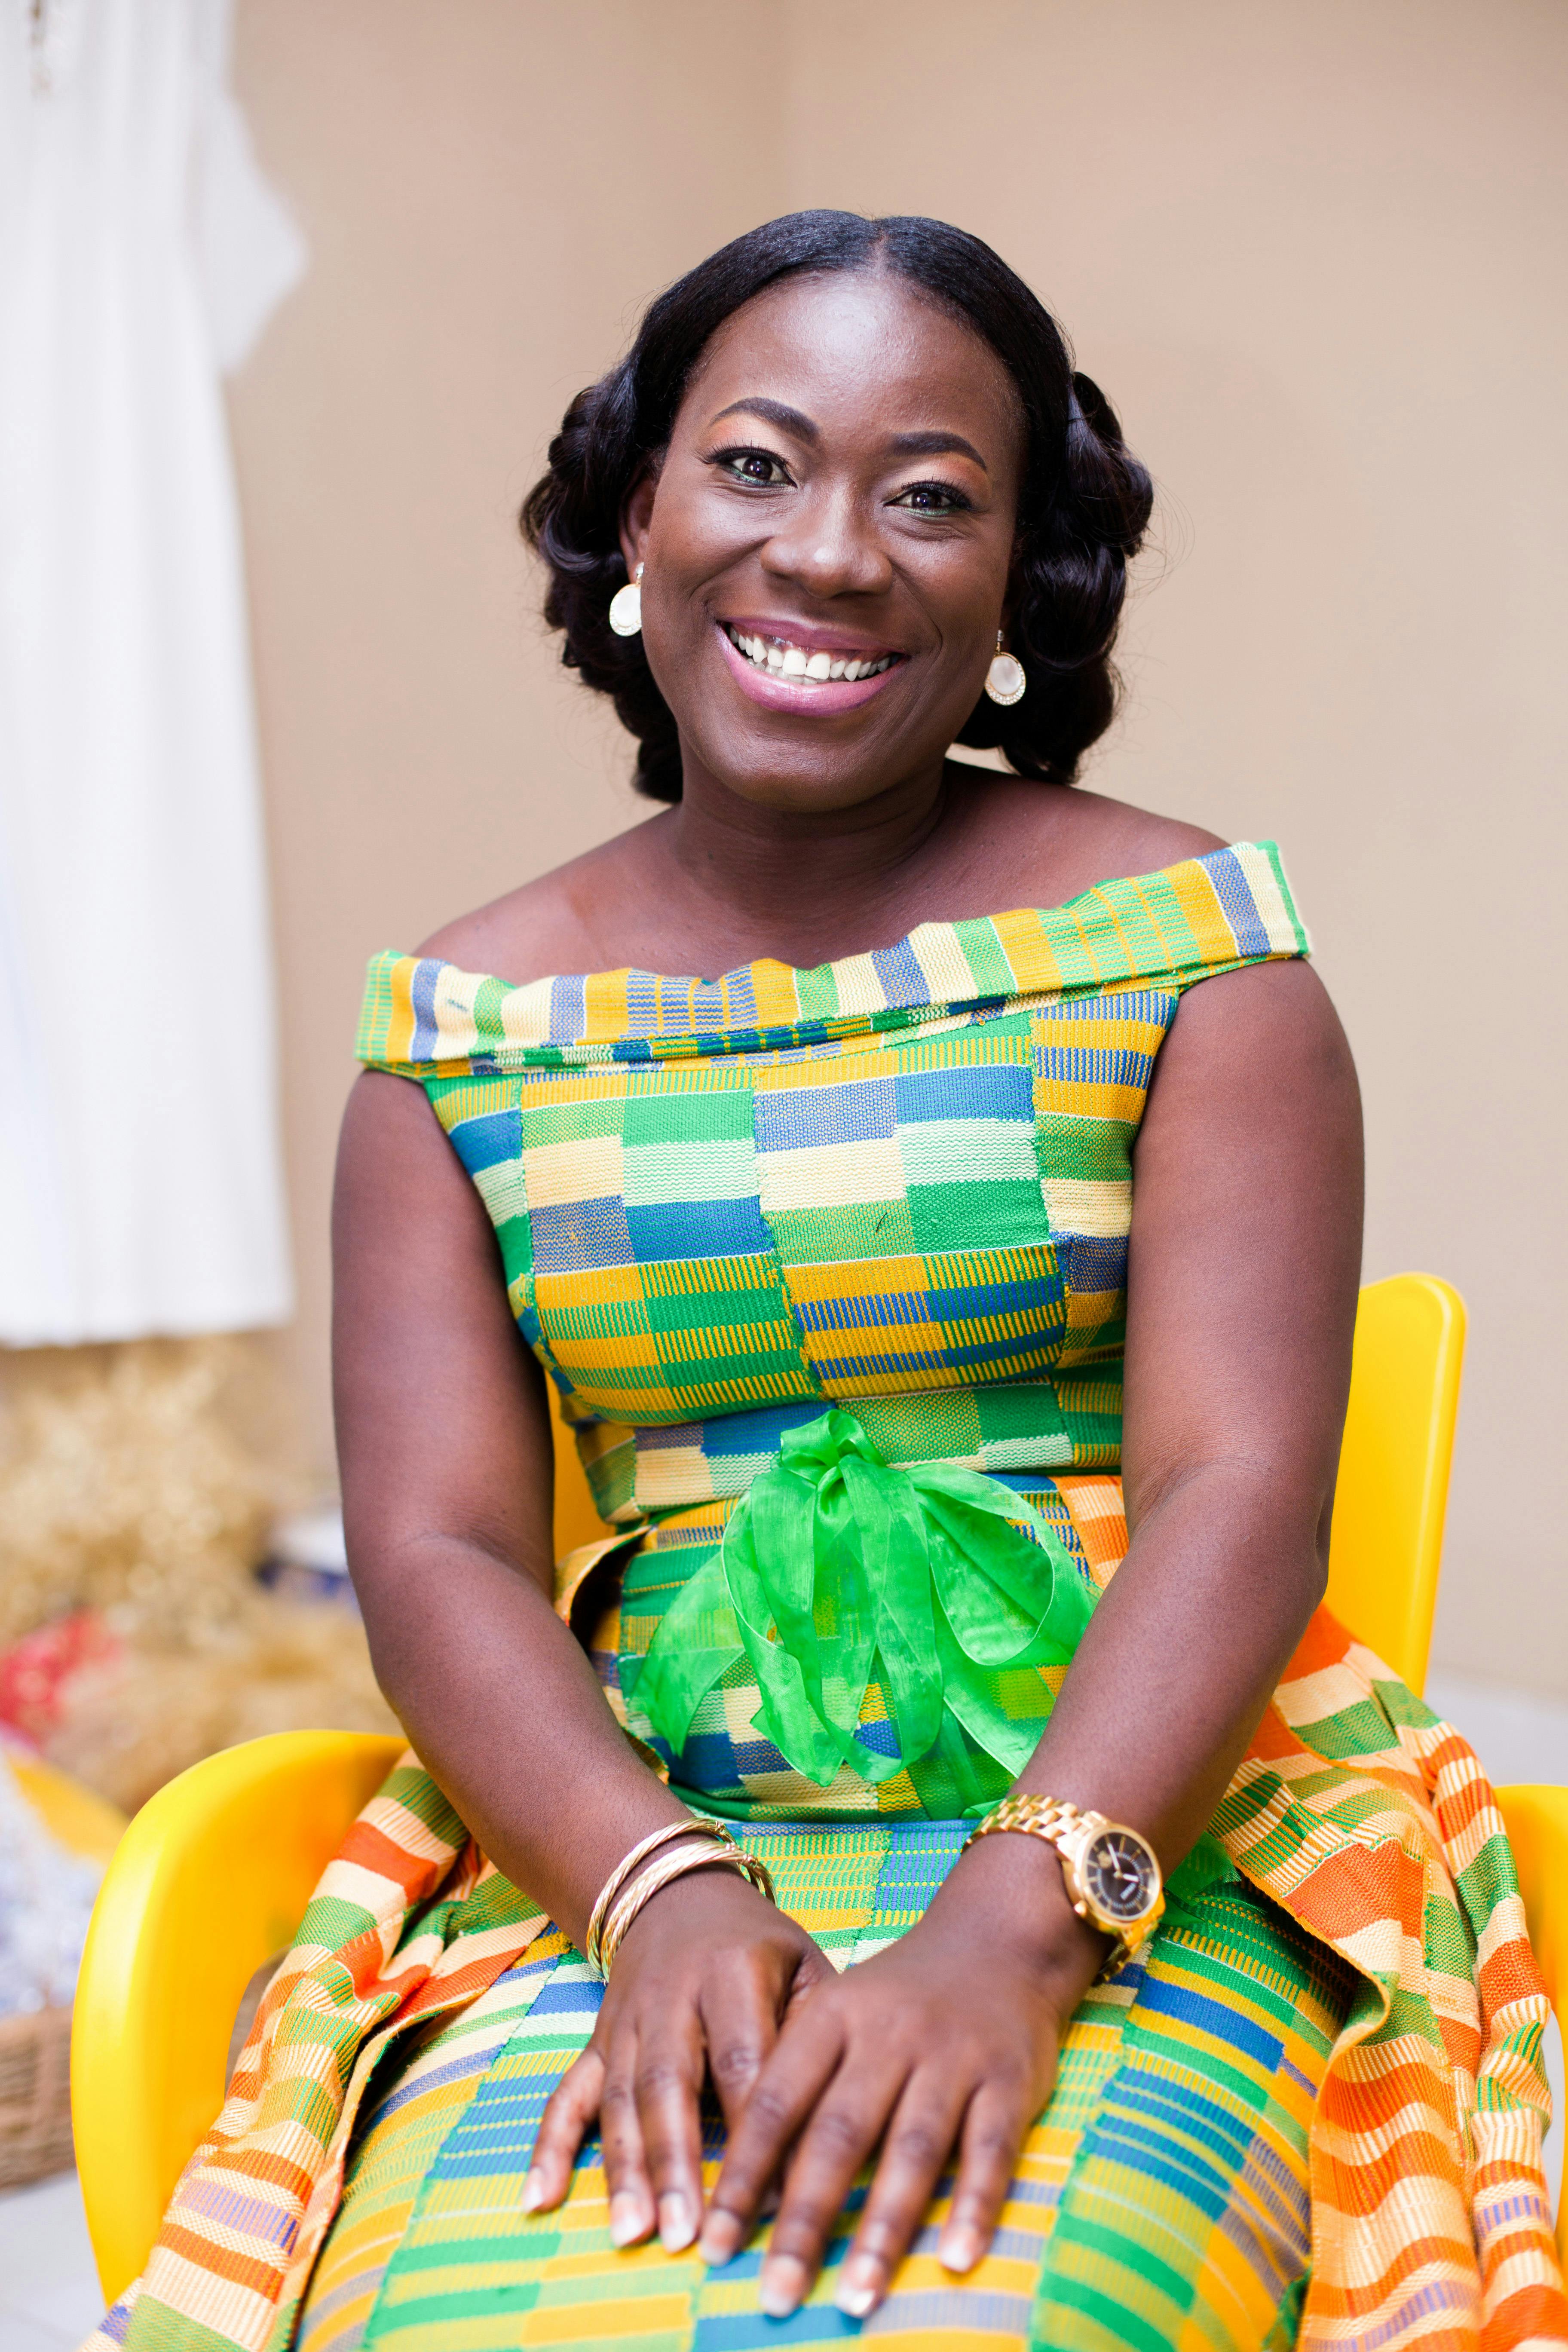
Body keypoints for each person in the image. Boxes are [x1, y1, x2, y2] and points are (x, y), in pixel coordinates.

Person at [90, 212, 1564, 2352]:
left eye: (935, 495)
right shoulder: (460, 1030)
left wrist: (1014, 1933)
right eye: (758, 465)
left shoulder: (1192, 949)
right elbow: (433, 1555)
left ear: (1022, 583)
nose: (837, 552)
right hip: (616, 1839)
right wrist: (657, 1897)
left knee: (996, 2304)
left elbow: (1243, 1488)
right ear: (637, 517)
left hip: (1134, 1824)